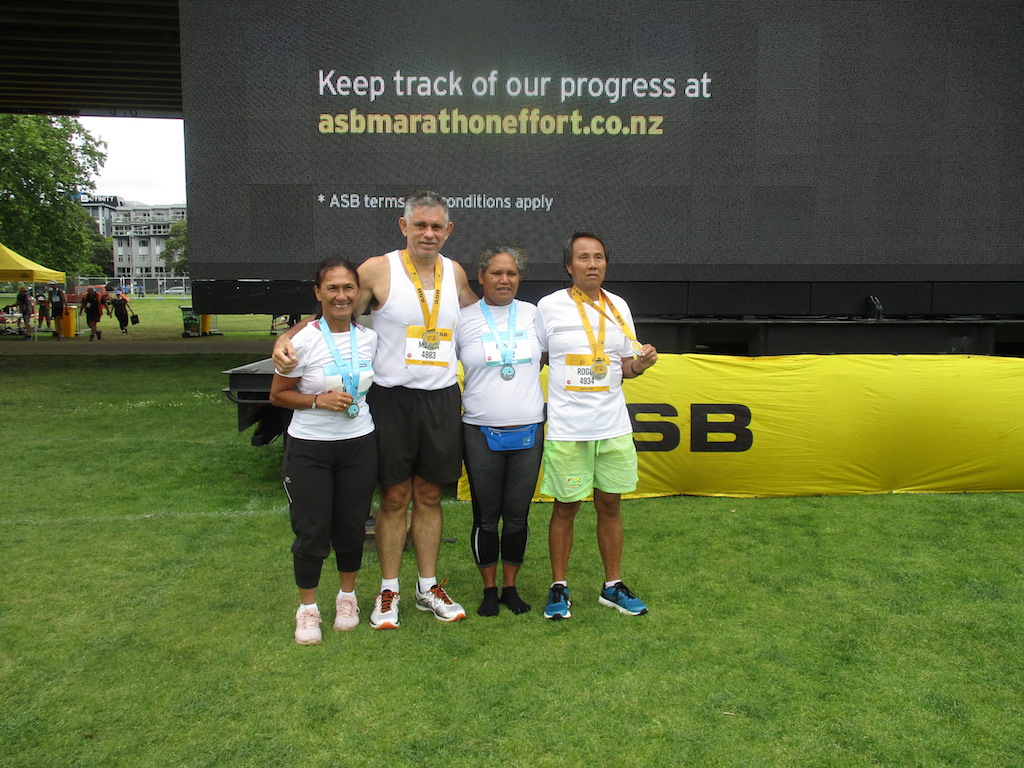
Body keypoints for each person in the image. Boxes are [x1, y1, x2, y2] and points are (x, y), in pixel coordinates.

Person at [273, 190, 479, 629]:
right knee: (394, 497)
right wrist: (283, 340)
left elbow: (482, 320)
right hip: (391, 398)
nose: (428, 233)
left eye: (436, 226)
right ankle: (389, 590)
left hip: (441, 398)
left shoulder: (455, 272)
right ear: (403, 227)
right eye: (419, 225)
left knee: (428, 496)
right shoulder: (377, 269)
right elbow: (329, 314)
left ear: (448, 231)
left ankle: (427, 587)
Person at [535, 231, 659, 620]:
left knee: (610, 506)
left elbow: (625, 365)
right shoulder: (549, 307)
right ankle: (558, 588)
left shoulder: (619, 306)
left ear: (606, 264)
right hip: (569, 429)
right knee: (566, 507)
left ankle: (612, 586)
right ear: (569, 266)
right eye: (583, 258)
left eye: (599, 257)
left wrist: (638, 365)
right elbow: (533, 357)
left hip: (612, 426)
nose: (592, 264)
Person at [269, 257, 379, 645]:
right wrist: (317, 400)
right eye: (331, 288)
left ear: (358, 292)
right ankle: (308, 609)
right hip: (310, 448)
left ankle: (347, 598)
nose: (341, 295)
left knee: (351, 529)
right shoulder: (301, 342)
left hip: (358, 445)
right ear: (318, 293)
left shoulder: (370, 338)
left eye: (348, 287)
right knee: (311, 530)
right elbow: (278, 396)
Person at [455, 243, 545, 616]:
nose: (504, 280)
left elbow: (548, 358)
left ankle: (511, 587)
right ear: (481, 277)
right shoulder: (463, 318)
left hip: (528, 429)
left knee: (518, 514)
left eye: (511, 273)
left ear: (519, 278)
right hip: (479, 430)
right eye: (496, 273)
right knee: (486, 516)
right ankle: (489, 589)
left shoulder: (534, 314)